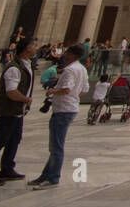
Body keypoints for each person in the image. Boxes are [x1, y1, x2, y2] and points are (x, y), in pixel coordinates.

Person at [30, 44, 88, 189]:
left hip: (63, 110)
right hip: (71, 108)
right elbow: (85, 90)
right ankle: (45, 175)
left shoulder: (69, 70)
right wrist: (74, 97)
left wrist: (52, 92)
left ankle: (53, 178)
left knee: (56, 147)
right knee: (55, 145)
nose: (64, 54)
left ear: (72, 55)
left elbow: (66, 89)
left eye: (67, 52)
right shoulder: (82, 69)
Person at [0, 37, 36, 186]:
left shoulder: (26, 65)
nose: (36, 48)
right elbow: (11, 92)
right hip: (8, 111)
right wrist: (26, 99)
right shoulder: (14, 68)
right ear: (26, 49)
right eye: (33, 45)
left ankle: (7, 168)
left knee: (14, 140)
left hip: (17, 112)